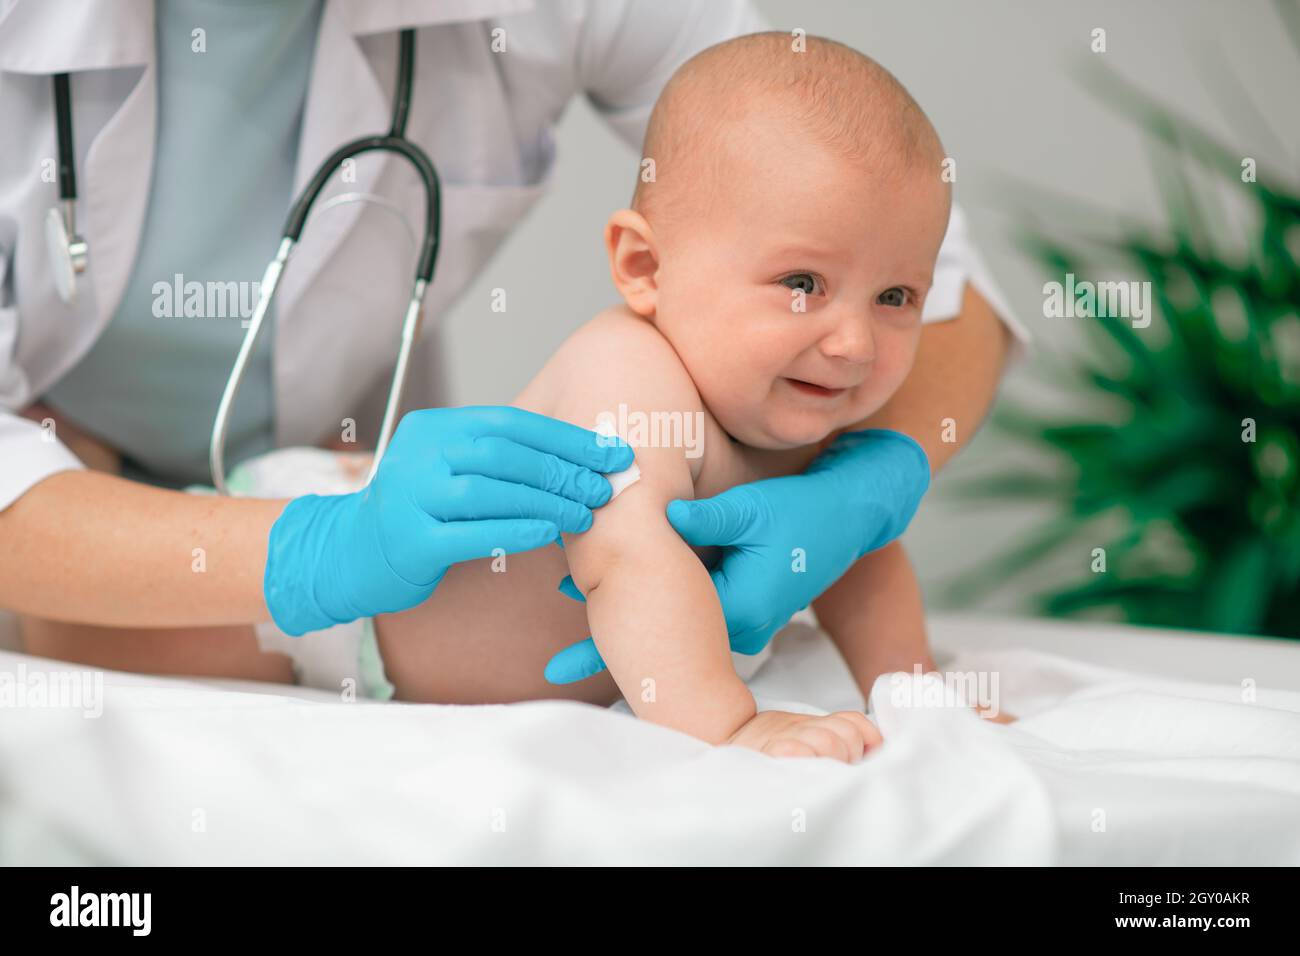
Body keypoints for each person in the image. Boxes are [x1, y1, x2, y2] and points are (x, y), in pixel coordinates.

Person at [0, 1, 1022, 676]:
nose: (849, 338)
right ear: (638, 267)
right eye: (802, 288)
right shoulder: (633, 375)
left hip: (355, 466)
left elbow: (900, 230)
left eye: (885, 300)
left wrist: (871, 478)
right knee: (90, 644)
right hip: (261, 517)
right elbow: (627, 564)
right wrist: (728, 726)